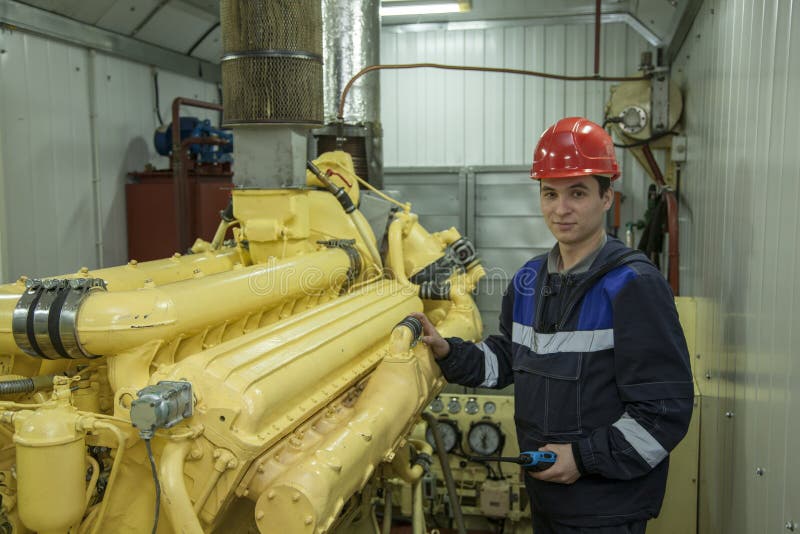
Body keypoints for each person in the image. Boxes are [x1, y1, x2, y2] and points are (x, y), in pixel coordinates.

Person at [412, 117, 694, 534]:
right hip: (546, 495)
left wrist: (582, 459)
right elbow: (507, 358)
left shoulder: (634, 286)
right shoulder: (529, 280)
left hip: (607, 510)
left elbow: (664, 411)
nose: (561, 209)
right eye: (550, 193)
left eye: (577, 193)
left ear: (606, 197)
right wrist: (449, 351)